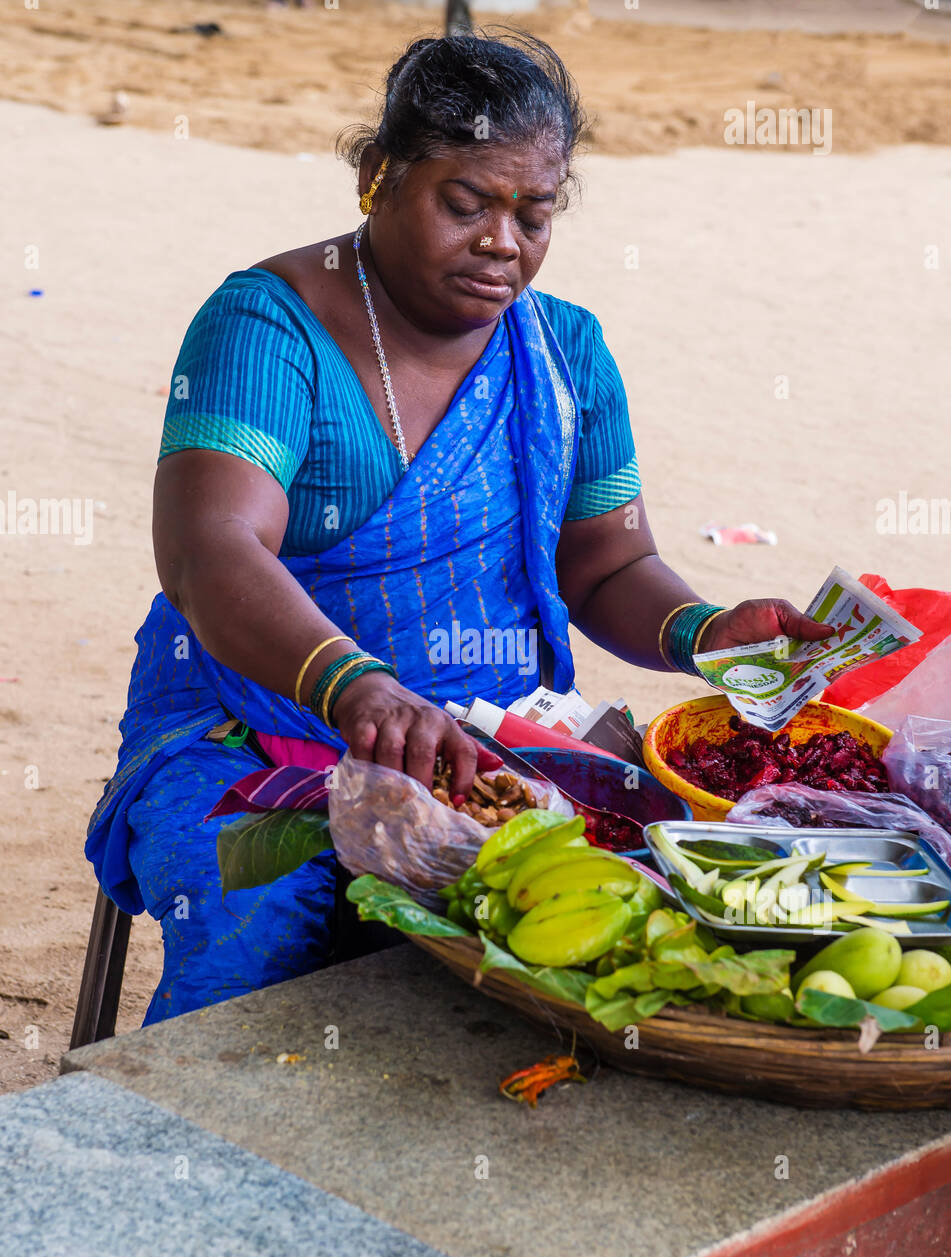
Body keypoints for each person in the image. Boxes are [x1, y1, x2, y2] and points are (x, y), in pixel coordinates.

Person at [86, 31, 834, 1025]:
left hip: (479, 748)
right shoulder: (268, 326)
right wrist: (358, 686)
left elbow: (608, 563)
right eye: (466, 203)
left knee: (622, 919)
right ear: (378, 175)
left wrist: (704, 631)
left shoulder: (564, 351)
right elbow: (207, 549)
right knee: (268, 945)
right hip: (255, 734)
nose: (503, 243)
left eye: (536, 212)